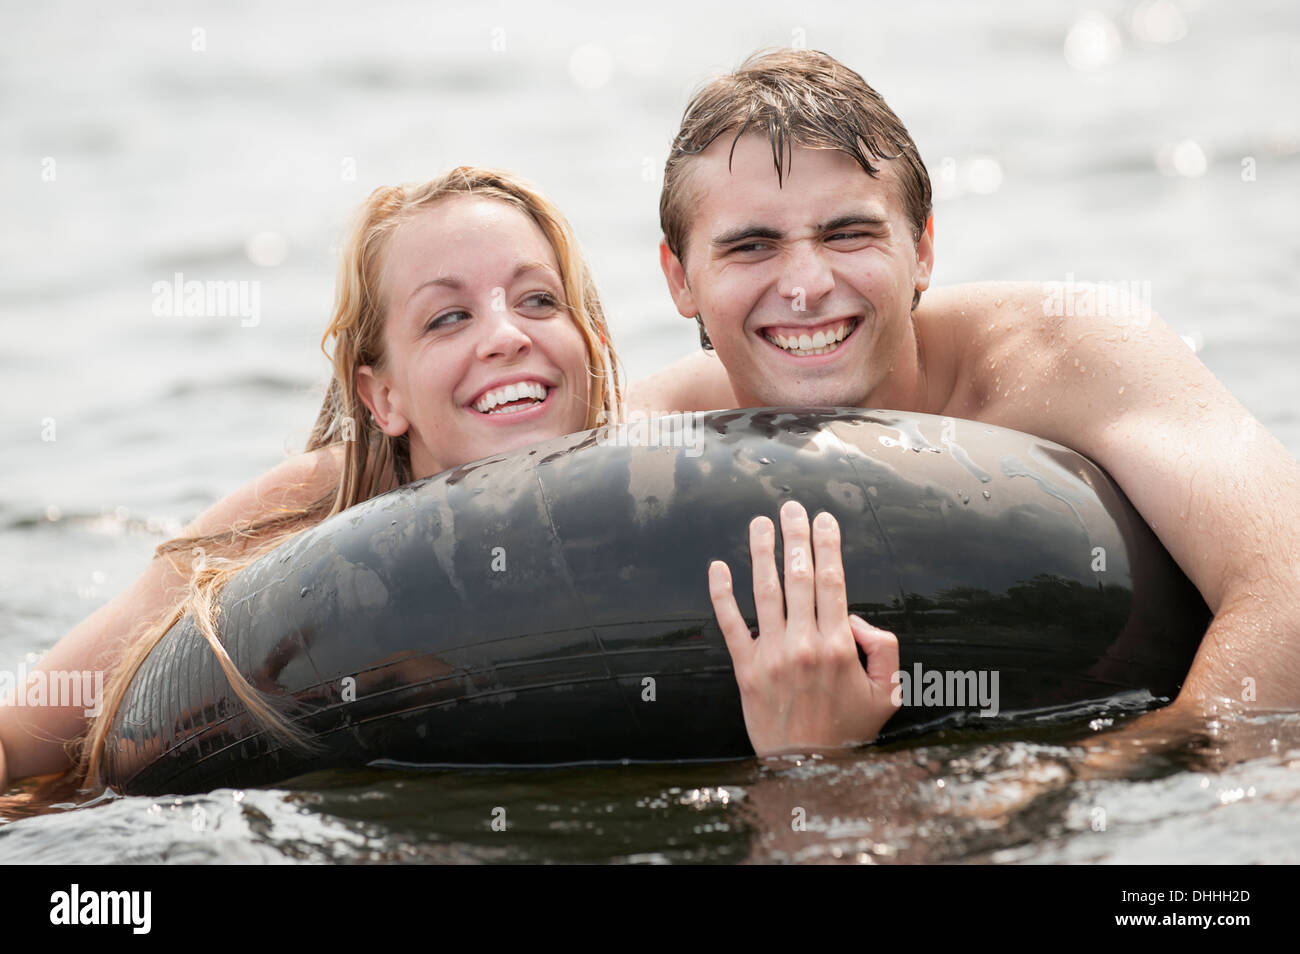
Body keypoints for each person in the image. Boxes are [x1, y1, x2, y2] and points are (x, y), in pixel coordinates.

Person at [0, 165, 898, 803]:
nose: (505, 335)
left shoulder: (678, 481)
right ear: (381, 394)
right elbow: (23, 744)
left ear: (590, 347)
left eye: (539, 301)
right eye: (449, 317)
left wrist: (813, 767)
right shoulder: (302, 517)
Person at [633, 48, 1300, 739]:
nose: (806, 285)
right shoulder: (651, 433)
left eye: (849, 233)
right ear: (679, 279)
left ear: (922, 250)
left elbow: (1290, 582)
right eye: (751, 247)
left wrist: (1099, 778)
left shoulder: (1071, 354)